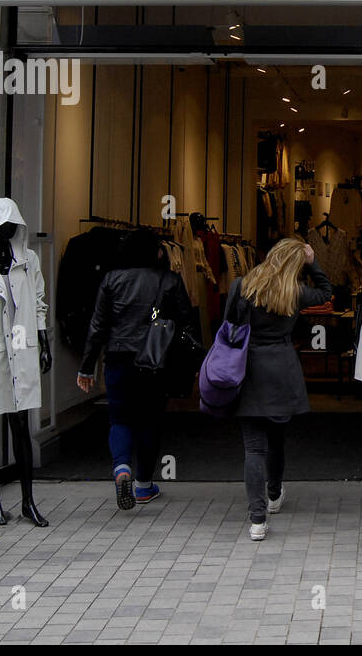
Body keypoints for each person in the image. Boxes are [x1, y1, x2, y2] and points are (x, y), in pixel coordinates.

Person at [77, 228, 195, 511]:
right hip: (155, 361)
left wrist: (87, 367)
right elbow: (186, 322)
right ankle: (143, 486)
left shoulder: (111, 279)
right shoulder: (170, 280)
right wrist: (193, 363)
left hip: (118, 358)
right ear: (156, 251)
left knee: (119, 419)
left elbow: (97, 327)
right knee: (150, 421)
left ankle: (121, 469)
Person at [223, 236, 332, 541]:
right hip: (281, 369)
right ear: (296, 264)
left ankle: (257, 520)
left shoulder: (242, 285)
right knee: (277, 440)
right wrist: (314, 263)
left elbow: (229, 326)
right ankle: (273, 494)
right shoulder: (294, 291)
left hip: (247, 368)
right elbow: (326, 292)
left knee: (253, 448)